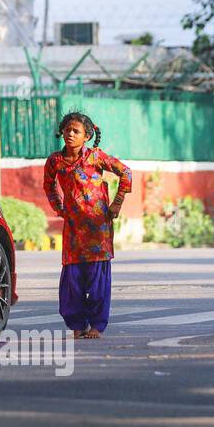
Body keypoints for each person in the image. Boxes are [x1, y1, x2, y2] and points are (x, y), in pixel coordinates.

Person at [42, 111, 132, 339]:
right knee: (72, 280)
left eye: (76, 131)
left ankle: (95, 326)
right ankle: (77, 325)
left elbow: (126, 173)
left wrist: (117, 203)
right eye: (67, 130)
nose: (70, 134)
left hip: (98, 230)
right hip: (73, 230)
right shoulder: (55, 161)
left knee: (97, 280)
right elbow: (48, 185)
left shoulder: (95, 157)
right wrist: (58, 207)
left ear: (87, 136)